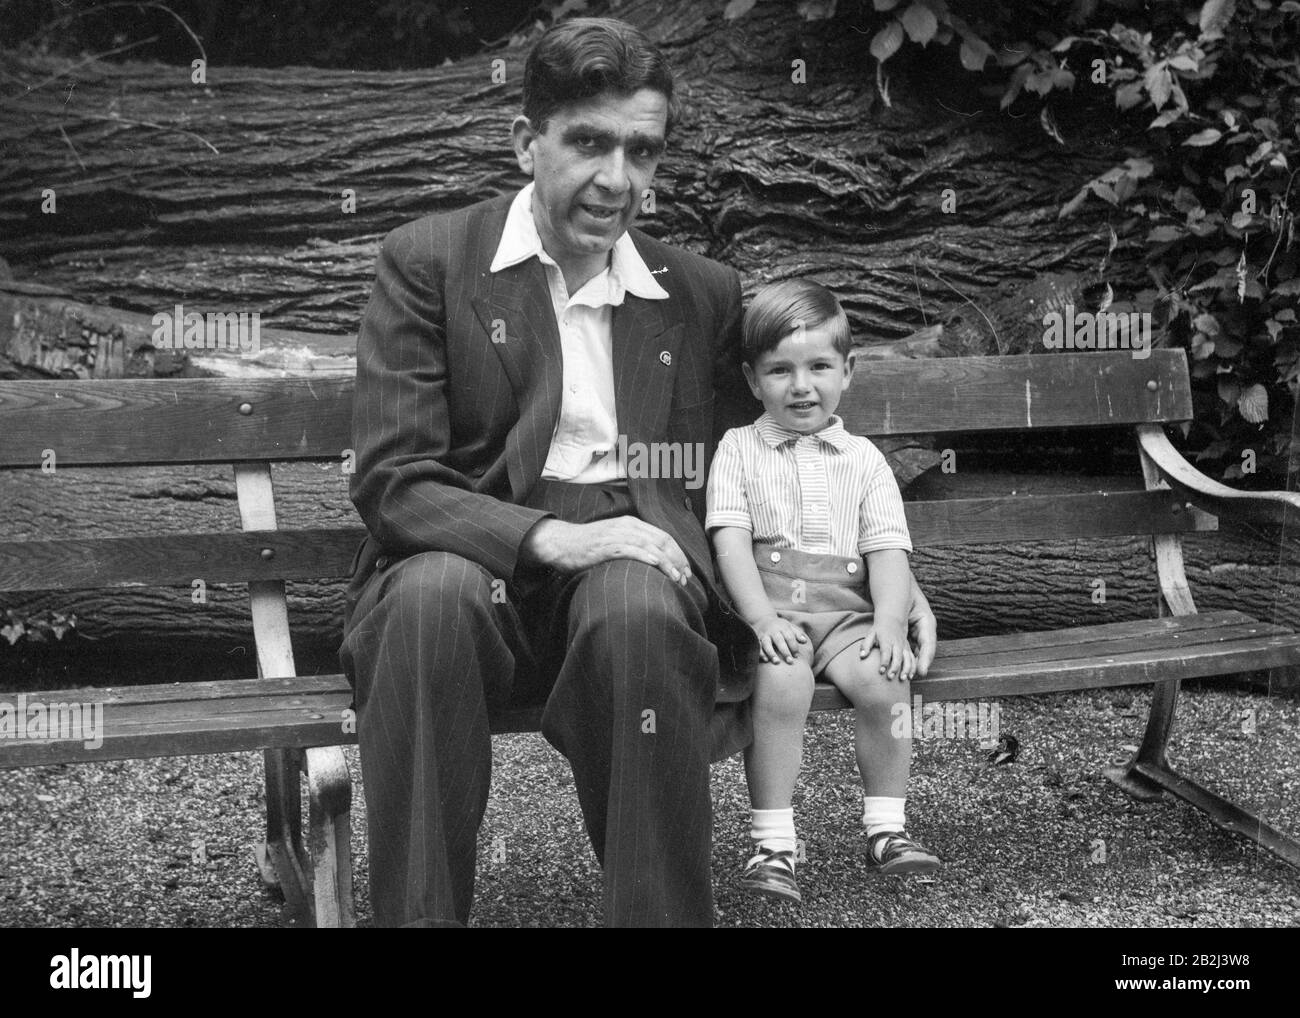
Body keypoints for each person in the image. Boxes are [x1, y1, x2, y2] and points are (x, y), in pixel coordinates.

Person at [341, 16, 937, 928]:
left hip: (635, 551)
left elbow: (773, 451)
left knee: (641, 607)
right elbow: (394, 481)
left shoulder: (698, 293)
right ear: (525, 143)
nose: (616, 179)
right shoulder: (430, 263)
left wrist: (882, 573)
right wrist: (551, 536)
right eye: (587, 143)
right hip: (464, 548)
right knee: (426, 608)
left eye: (642, 150)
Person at [706, 279, 941, 905]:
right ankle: (774, 844)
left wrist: (890, 623)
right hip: (776, 610)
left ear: (848, 371)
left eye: (818, 367)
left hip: (847, 614)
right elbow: (730, 543)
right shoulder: (738, 449)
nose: (801, 385)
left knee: (886, 682)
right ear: (754, 381)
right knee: (780, 685)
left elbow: (887, 549)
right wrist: (758, 619)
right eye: (780, 371)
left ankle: (887, 829)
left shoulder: (864, 460)